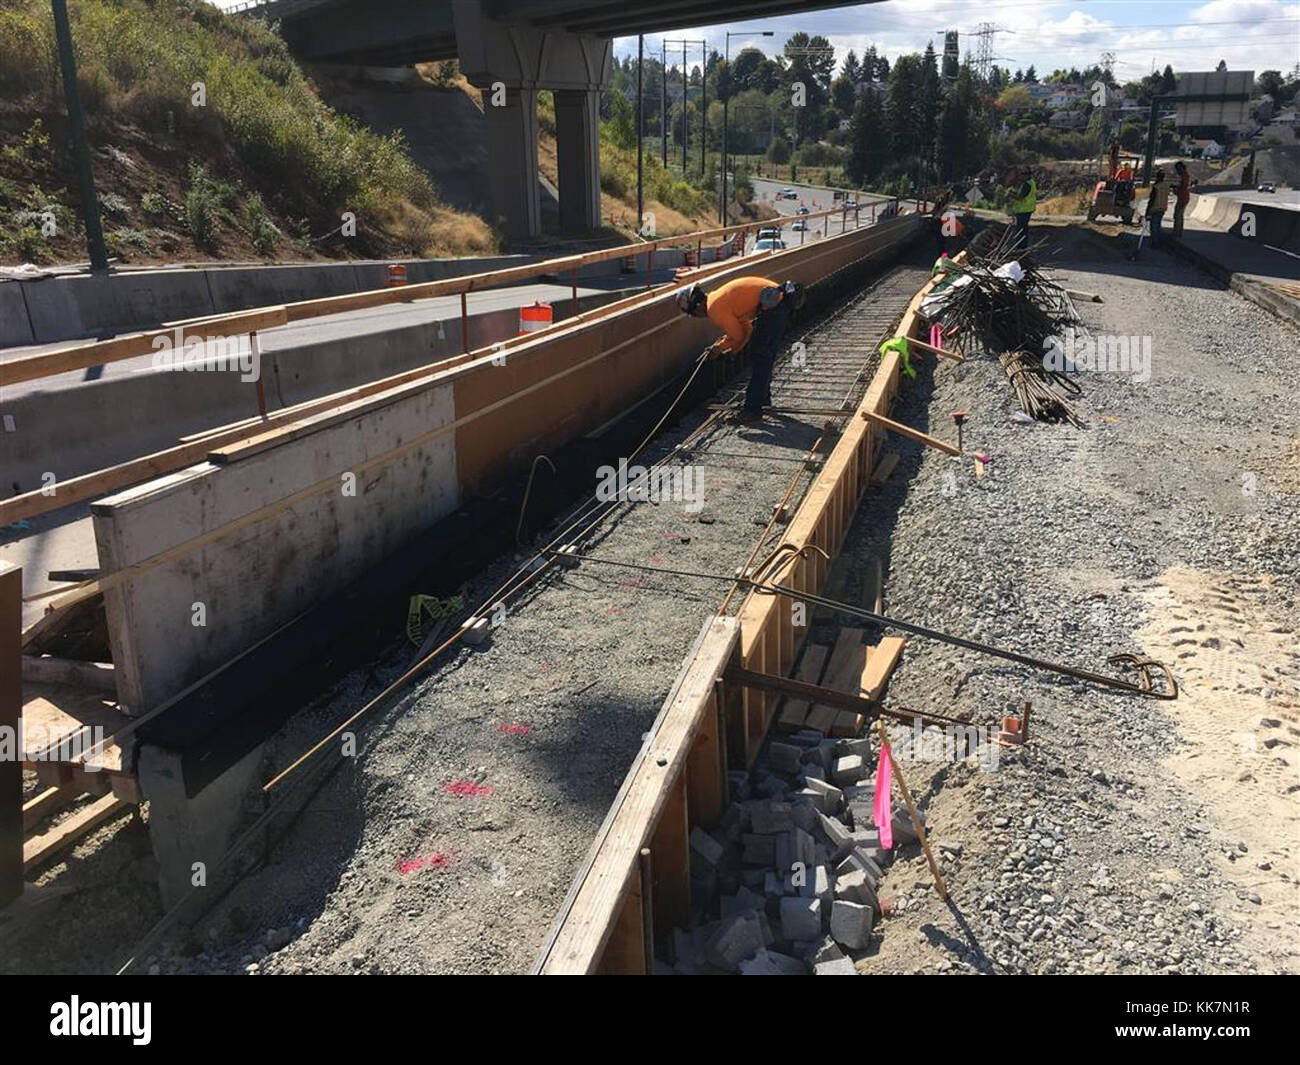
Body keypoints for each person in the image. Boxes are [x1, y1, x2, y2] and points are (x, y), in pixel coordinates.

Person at [676, 277, 806, 423]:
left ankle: (752, 410)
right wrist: (733, 351)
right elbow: (746, 329)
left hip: (774, 307)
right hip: (778, 304)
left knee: (761, 357)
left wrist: (719, 348)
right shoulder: (718, 298)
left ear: (697, 305)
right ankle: (762, 400)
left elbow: (737, 335)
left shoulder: (714, 308)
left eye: (694, 314)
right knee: (764, 358)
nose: (698, 317)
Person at [1007, 166, 1037, 253]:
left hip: (1024, 210)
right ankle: (1021, 248)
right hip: (1026, 210)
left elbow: (1021, 198)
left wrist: (1011, 195)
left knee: (1021, 231)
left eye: (1023, 174)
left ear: (1027, 175)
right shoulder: (1030, 183)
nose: (1020, 176)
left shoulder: (1027, 184)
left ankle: (1020, 249)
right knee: (1023, 230)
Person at [1145, 168, 1170, 249]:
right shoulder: (1166, 186)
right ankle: (1159, 241)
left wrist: (1147, 211)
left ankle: (1155, 243)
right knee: (1158, 225)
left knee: (1154, 227)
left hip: (1155, 208)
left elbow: (1152, 200)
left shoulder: (1156, 187)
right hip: (1163, 208)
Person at [1172, 160, 1191, 238]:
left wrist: (1175, 187)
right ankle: (1178, 232)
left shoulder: (1185, 175)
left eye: (1178, 169)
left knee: (1178, 215)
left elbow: (1183, 186)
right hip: (1182, 197)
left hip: (1183, 198)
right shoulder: (1183, 175)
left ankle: (1177, 233)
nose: (1177, 171)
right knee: (1178, 215)